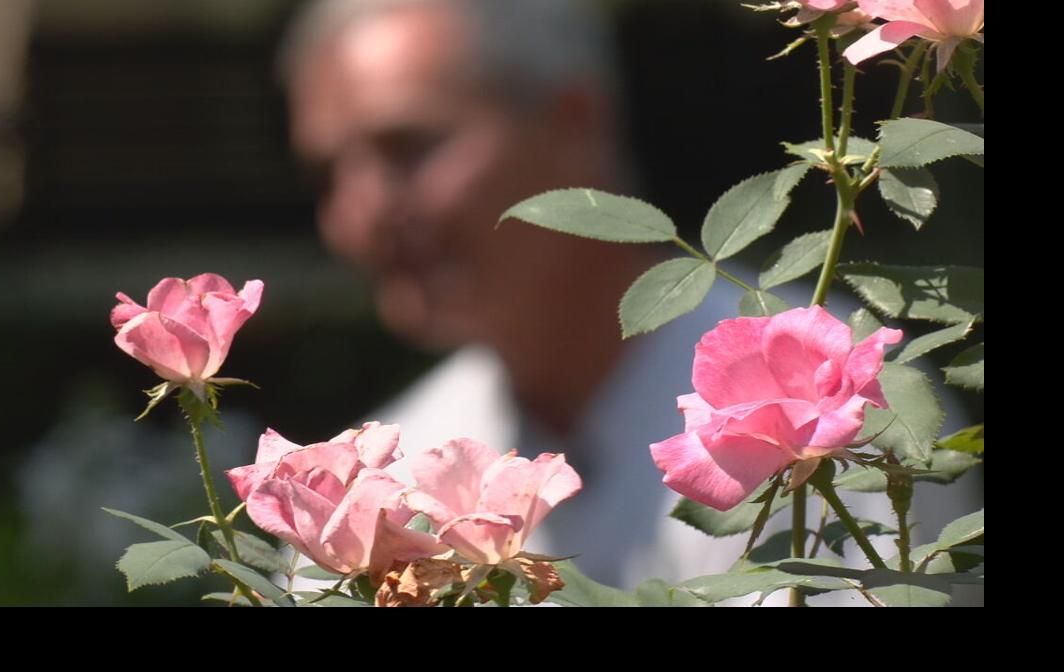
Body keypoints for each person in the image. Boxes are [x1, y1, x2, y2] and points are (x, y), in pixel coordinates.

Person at [280, 0, 981, 601]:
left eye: (407, 148)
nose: (358, 213)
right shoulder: (383, 479)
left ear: (574, 122)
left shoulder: (826, 411)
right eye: (324, 175)